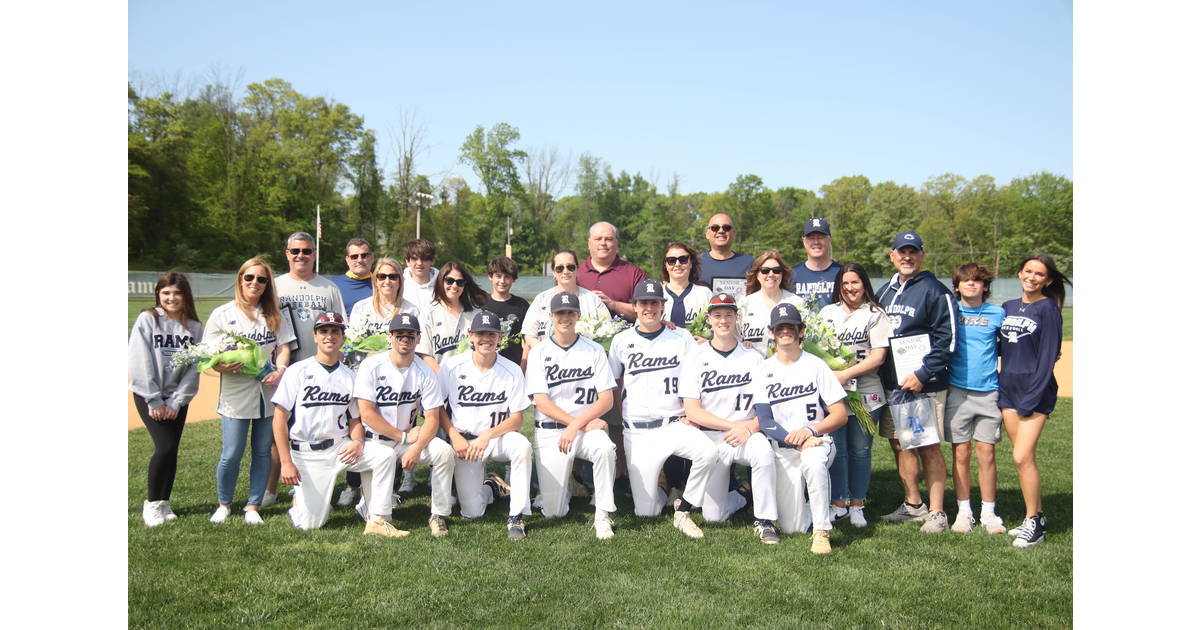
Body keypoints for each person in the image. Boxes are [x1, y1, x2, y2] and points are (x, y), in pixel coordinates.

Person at [271, 312, 405, 537]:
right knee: (310, 524)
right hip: (307, 453)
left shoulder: (350, 377)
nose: (329, 336)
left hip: (339, 447)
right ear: (315, 336)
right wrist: (286, 462)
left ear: (343, 337)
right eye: (324, 331)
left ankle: (376, 517)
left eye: (335, 331)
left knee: (384, 455)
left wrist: (358, 441)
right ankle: (300, 503)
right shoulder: (298, 371)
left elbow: (355, 420)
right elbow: (279, 419)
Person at [608, 279, 715, 539]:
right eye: (643, 303)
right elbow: (614, 382)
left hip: (673, 424)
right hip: (639, 432)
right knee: (646, 513)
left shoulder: (681, 336)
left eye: (654, 302)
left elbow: (698, 375)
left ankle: (684, 508)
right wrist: (623, 418)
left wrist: (692, 413)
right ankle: (662, 490)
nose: (649, 308)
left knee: (709, 452)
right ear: (634, 306)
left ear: (662, 305)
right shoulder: (621, 340)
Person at [679, 293, 780, 544]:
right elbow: (692, 410)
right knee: (714, 517)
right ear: (709, 320)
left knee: (763, 453)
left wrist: (751, 427)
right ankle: (742, 496)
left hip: (748, 434)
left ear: (736, 318)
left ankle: (765, 521)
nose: (723, 320)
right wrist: (735, 426)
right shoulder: (695, 358)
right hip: (712, 438)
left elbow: (767, 407)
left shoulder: (753, 357)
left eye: (728, 314)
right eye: (717, 315)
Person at [875, 231, 958, 533]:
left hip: (923, 384)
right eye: (901, 252)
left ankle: (937, 512)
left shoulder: (935, 290)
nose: (907, 257)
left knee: (927, 446)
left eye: (913, 252)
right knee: (900, 444)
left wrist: (923, 374)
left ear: (922, 255)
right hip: (893, 385)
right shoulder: (884, 291)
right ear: (892, 255)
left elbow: (948, 340)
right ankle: (913, 505)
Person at [752, 303, 848, 554]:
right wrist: (795, 439)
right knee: (792, 526)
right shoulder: (763, 370)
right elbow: (764, 420)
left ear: (801, 331)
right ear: (771, 332)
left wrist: (811, 431)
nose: (786, 332)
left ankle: (821, 531)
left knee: (813, 464)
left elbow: (840, 415)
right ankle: (820, 505)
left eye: (791, 327)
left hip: (817, 442)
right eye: (780, 328)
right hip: (784, 447)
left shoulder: (816, 365)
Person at [204, 257, 295, 524]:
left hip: (267, 393)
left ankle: (253, 506)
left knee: (263, 450)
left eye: (262, 279)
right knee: (231, 453)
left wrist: (280, 370)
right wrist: (220, 366)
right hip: (235, 394)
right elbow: (207, 353)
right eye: (250, 277)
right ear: (240, 280)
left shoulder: (273, 314)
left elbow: (284, 346)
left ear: (268, 285)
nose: (255, 283)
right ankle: (224, 503)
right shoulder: (222, 314)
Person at [525, 292, 619, 539]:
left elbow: (607, 398)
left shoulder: (594, 349)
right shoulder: (539, 352)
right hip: (550, 431)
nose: (564, 317)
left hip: (585, 429)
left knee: (605, 449)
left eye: (570, 312)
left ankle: (602, 515)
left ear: (578, 315)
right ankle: (561, 487)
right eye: (559, 313)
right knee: (554, 513)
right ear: (551, 317)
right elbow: (541, 402)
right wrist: (576, 424)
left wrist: (578, 425)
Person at [353, 312, 457, 537]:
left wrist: (417, 448)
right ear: (390, 336)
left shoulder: (425, 372)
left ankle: (438, 514)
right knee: (380, 518)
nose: (405, 339)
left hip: (407, 441)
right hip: (374, 442)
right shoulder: (371, 366)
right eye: (400, 334)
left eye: (410, 335)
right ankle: (368, 506)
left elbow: (432, 418)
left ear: (418, 338)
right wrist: (403, 437)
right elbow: (367, 415)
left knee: (444, 452)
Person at [438, 310, 534, 539]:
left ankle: (516, 517)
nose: (486, 339)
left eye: (492, 334)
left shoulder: (511, 370)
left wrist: (487, 436)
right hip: (466, 441)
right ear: (470, 336)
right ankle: (492, 486)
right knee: (472, 512)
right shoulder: (452, 366)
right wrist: (453, 435)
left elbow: (518, 418)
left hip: (497, 439)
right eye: (481, 333)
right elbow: (437, 408)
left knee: (522, 447)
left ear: (499, 338)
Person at [999, 254, 1068, 548]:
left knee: (1020, 457)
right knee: (1023, 458)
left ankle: (1033, 524)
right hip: (1007, 390)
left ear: (1048, 280)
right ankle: (1036, 515)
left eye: (1039, 274)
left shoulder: (1048, 308)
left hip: (1034, 392)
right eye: (1028, 271)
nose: (1032, 277)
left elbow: (1048, 356)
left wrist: (1032, 395)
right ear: (1019, 273)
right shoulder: (1008, 307)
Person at [272, 231, 346, 505]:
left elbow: (341, 326)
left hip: (320, 367)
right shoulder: (276, 286)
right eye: (296, 251)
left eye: (306, 251)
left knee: (315, 425)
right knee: (281, 426)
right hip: (285, 366)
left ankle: (313, 481)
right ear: (287, 254)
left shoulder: (328, 288)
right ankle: (274, 486)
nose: (301, 256)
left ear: (314, 254)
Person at [340, 256, 420, 506]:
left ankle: (391, 488)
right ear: (375, 279)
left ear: (400, 280)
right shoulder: (363, 307)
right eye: (382, 276)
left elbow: (415, 346)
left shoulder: (410, 309)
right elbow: (351, 345)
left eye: (392, 276)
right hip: (365, 378)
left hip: (401, 381)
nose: (387, 281)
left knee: (397, 433)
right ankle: (353, 485)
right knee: (361, 432)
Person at [817, 263, 891, 528]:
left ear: (864, 285)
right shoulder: (827, 313)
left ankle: (858, 504)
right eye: (845, 283)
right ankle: (838, 503)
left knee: (860, 450)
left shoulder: (875, 314)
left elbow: (878, 357)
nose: (850, 288)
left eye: (855, 283)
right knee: (837, 450)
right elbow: (816, 350)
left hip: (866, 395)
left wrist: (846, 374)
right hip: (834, 395)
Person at [128, 271, 203, 527]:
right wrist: (154, 400)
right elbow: (140, 360)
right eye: (166, 293)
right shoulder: (148, 319)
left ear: (185, 296)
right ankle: (151, 504)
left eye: (177, 293)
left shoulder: (193, 326)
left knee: (172, 450)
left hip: (176, 400)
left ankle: (164, 502)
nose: (171, 298)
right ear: (158, 294)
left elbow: (195, 367)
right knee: (165, 447)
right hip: (150, 396)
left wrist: (177, 401)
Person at [943, 262, 1007, 535]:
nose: (971, 284)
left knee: (987, 453)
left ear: (985, 286)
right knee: (961, 452)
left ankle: (989, 513)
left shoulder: (997, 313)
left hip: (989, 391)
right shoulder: (950, 312)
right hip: (957, 391)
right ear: (956, 286)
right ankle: (964, 511)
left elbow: (1010, 346)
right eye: (965, 280)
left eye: (977, 280)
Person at [522, 250, 611, 362]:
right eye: (560, 268)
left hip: (586, 363)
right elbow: (529, 335)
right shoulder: (542, 299)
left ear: (577, 269)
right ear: (554, 272)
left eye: (570, 267)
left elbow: (608, 333)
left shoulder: (592, 299)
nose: (565, 271)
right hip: (549, 362)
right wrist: (549, 352)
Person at [416, 261, 490, 371]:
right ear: (441, 281)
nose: (454, 286)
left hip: (471, 380)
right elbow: (425, 355)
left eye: (460, 282)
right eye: (449, 281)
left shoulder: (476, 314)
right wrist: (444, 378)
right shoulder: (427, 314)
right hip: (440, 379)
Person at [736, 250, 803, 357]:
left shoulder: (796, 303)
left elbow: (807, 340)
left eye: (776, 270)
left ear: (782, 274)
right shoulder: (744, 304)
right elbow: (734, 338)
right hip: (752, 366)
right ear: (757, 274)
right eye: (765, 271)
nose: (771, 274)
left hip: (788, 365)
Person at [577, 221, 647, 322]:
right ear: (589, 243)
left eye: (609, 239)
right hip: (580, 336)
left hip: (624, 336)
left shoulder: (634, 274)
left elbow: (647, 311)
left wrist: (613, 305)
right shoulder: (575, 273)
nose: (603, 243)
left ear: (616, 243)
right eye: (598, 239)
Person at [483, 256, 531, 369]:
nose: (502, 281)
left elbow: (527, 341)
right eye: (498, 276)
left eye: (507, 277)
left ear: (513, 279)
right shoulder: (480, 305)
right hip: (486, 367)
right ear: (490, 277)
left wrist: (522, 367)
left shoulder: (521, 305)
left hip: (513, 368)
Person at [791, 217, 842, 308]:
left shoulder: (842, 273)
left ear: (829, 240)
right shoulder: (792, 274)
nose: (816, 242)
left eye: (821, 237)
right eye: (811, 238)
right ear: (804, 241)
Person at [661, 241, 713, 329]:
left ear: (691, 263)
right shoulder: (657, 294)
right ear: (666, 265)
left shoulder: (704, 294)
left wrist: (708, 341)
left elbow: (718, 325)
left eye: (683, 259)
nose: (677, 264)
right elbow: (641, 327)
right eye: (671, 260)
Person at [698, 213, 754, 294]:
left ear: (734, 233)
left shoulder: (749, 263)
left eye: (726, 228)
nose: (721, 231)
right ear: (707, 234)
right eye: (715, 228)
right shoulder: (695, 263)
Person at [329, 238, 376, 312]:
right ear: (347, 260)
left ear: (372, 258)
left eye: (364, 255)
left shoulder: (383, 284)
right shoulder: (332, 284)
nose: (359, 260)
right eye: (354, 257)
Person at [402, 239, 439, 316]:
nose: (419, 263)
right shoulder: (399, 285)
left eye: (424, 259)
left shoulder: (443, 285)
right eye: (414, 259)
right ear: (407, 262)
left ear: (432, 261)